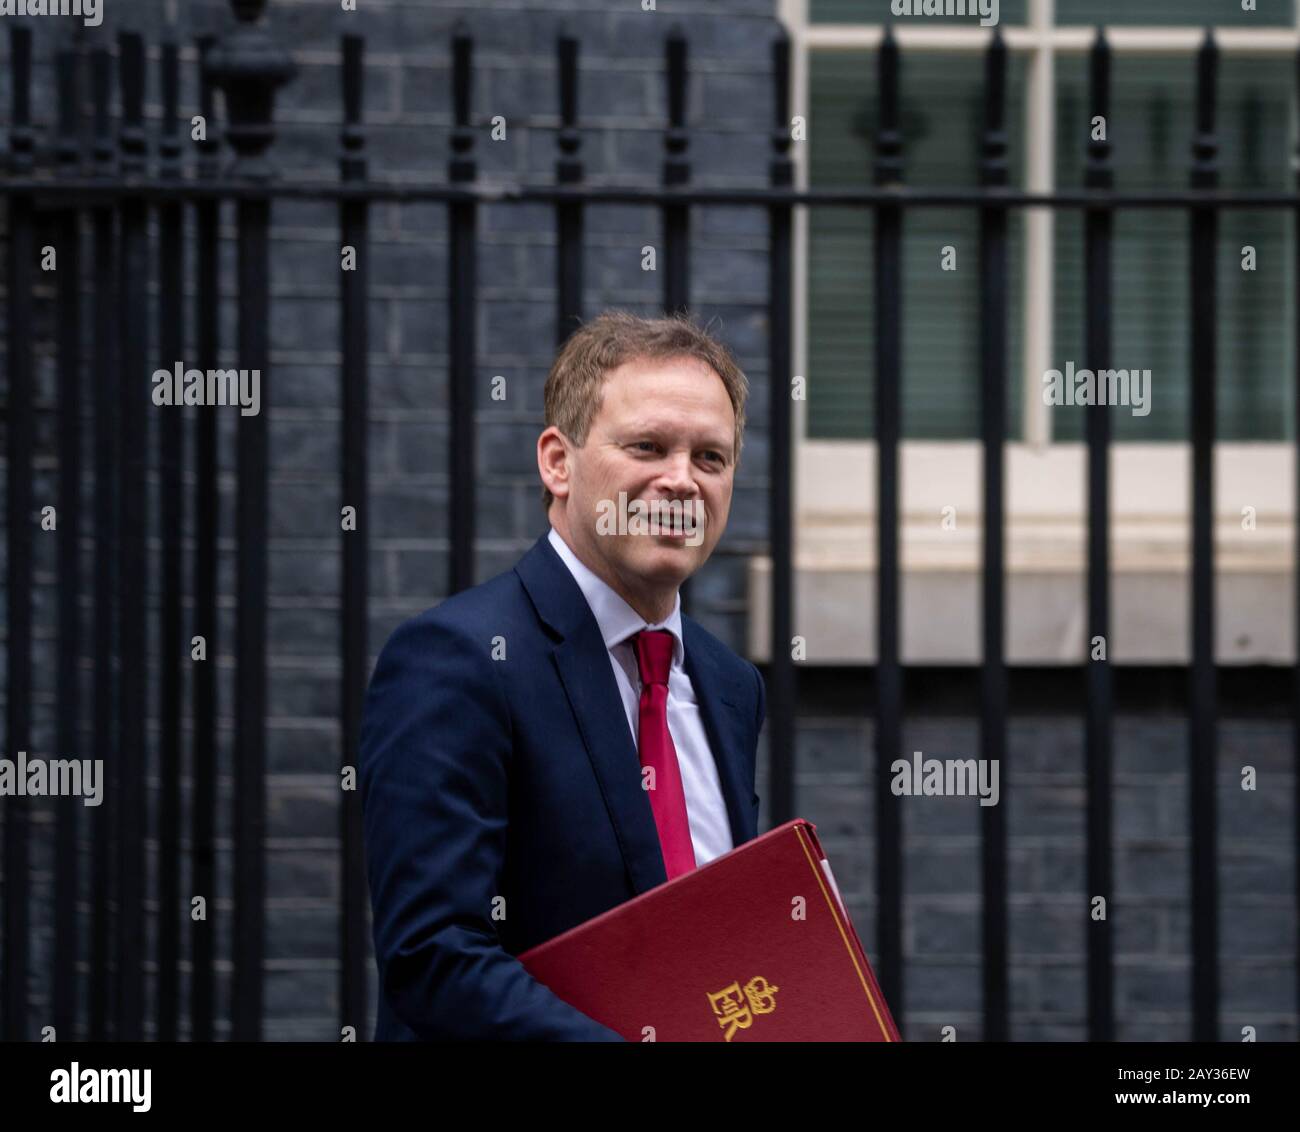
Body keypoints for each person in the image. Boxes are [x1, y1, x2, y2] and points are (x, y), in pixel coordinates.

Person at [359, 310, 767, 1040]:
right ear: (557, 461)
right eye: (647, 446)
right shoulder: (456, 661)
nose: (682, 480)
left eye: (711, 457)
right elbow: (433, 958)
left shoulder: (730, 685)